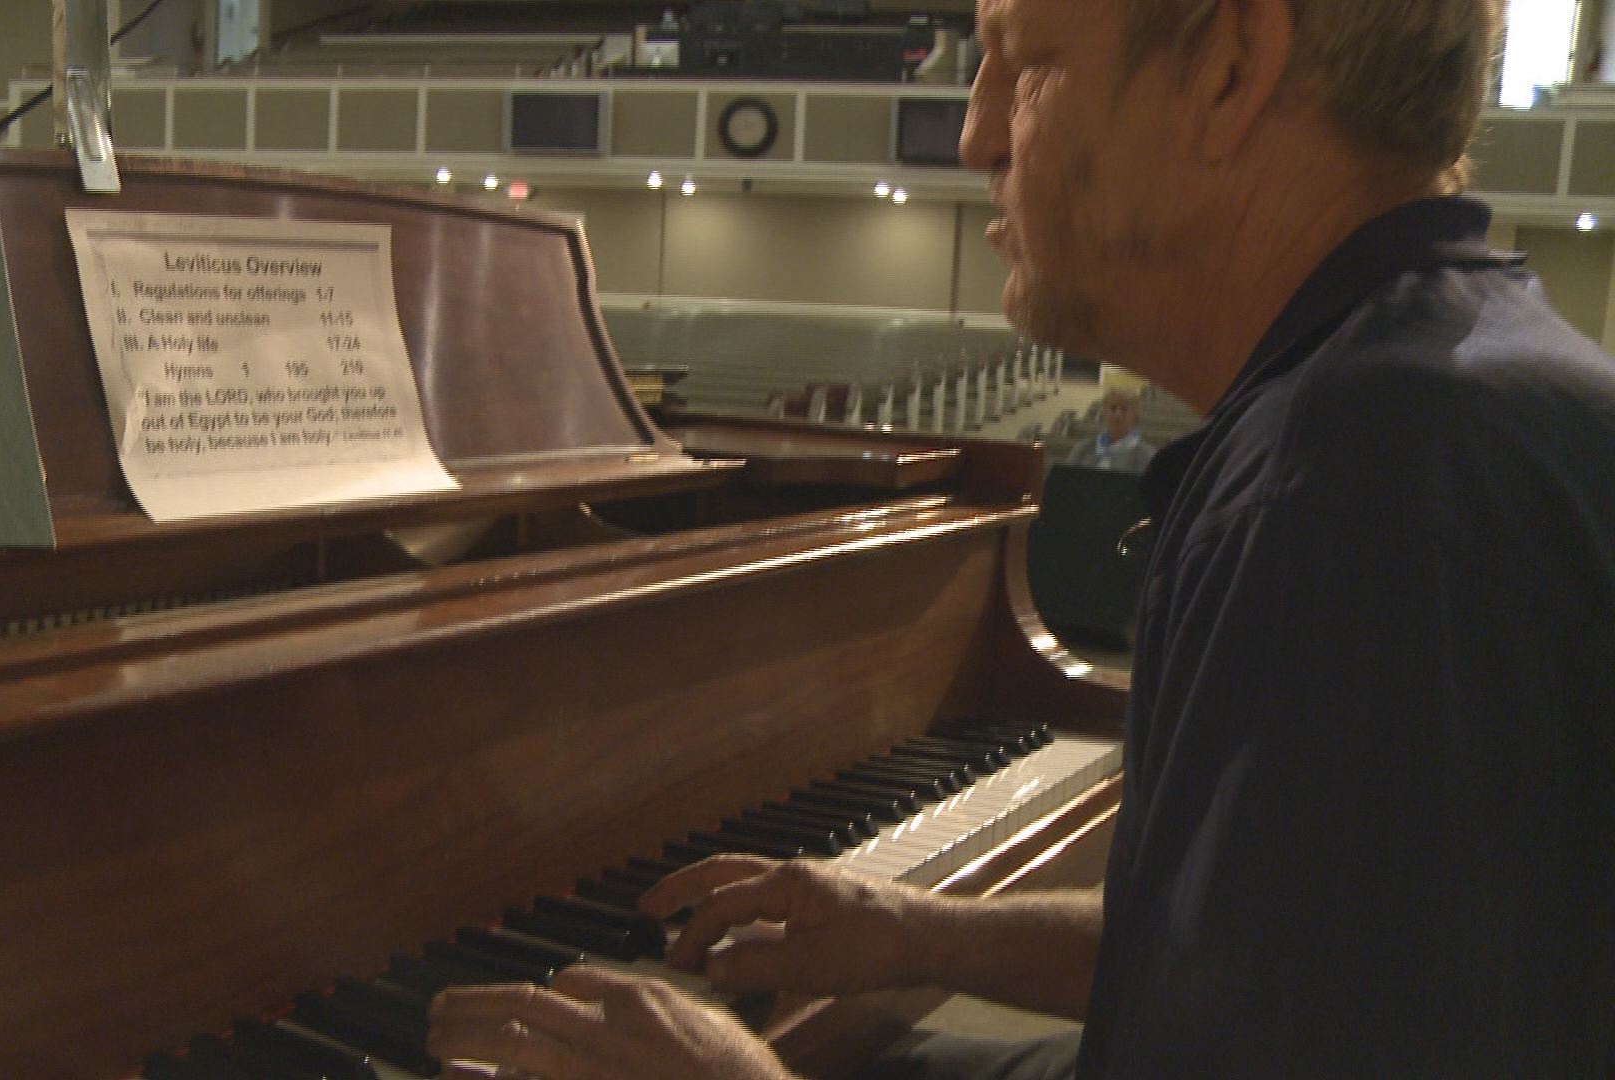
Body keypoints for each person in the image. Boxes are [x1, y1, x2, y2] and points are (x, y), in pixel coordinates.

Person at [427, 0, 1615, 1076]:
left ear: (1230, 71)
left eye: (1022, 62)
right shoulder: (1445, 372)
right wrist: (912, 928)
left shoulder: (1358, 487)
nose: (976, 137)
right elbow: (1259, 958)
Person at [1063, 389, 1153, 473]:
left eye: (1124, 409)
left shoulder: (1146, 454)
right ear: (1105, 412)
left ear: (1135, 415)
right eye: (1113, 408)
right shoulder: (1083, 448)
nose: (1118, 414)